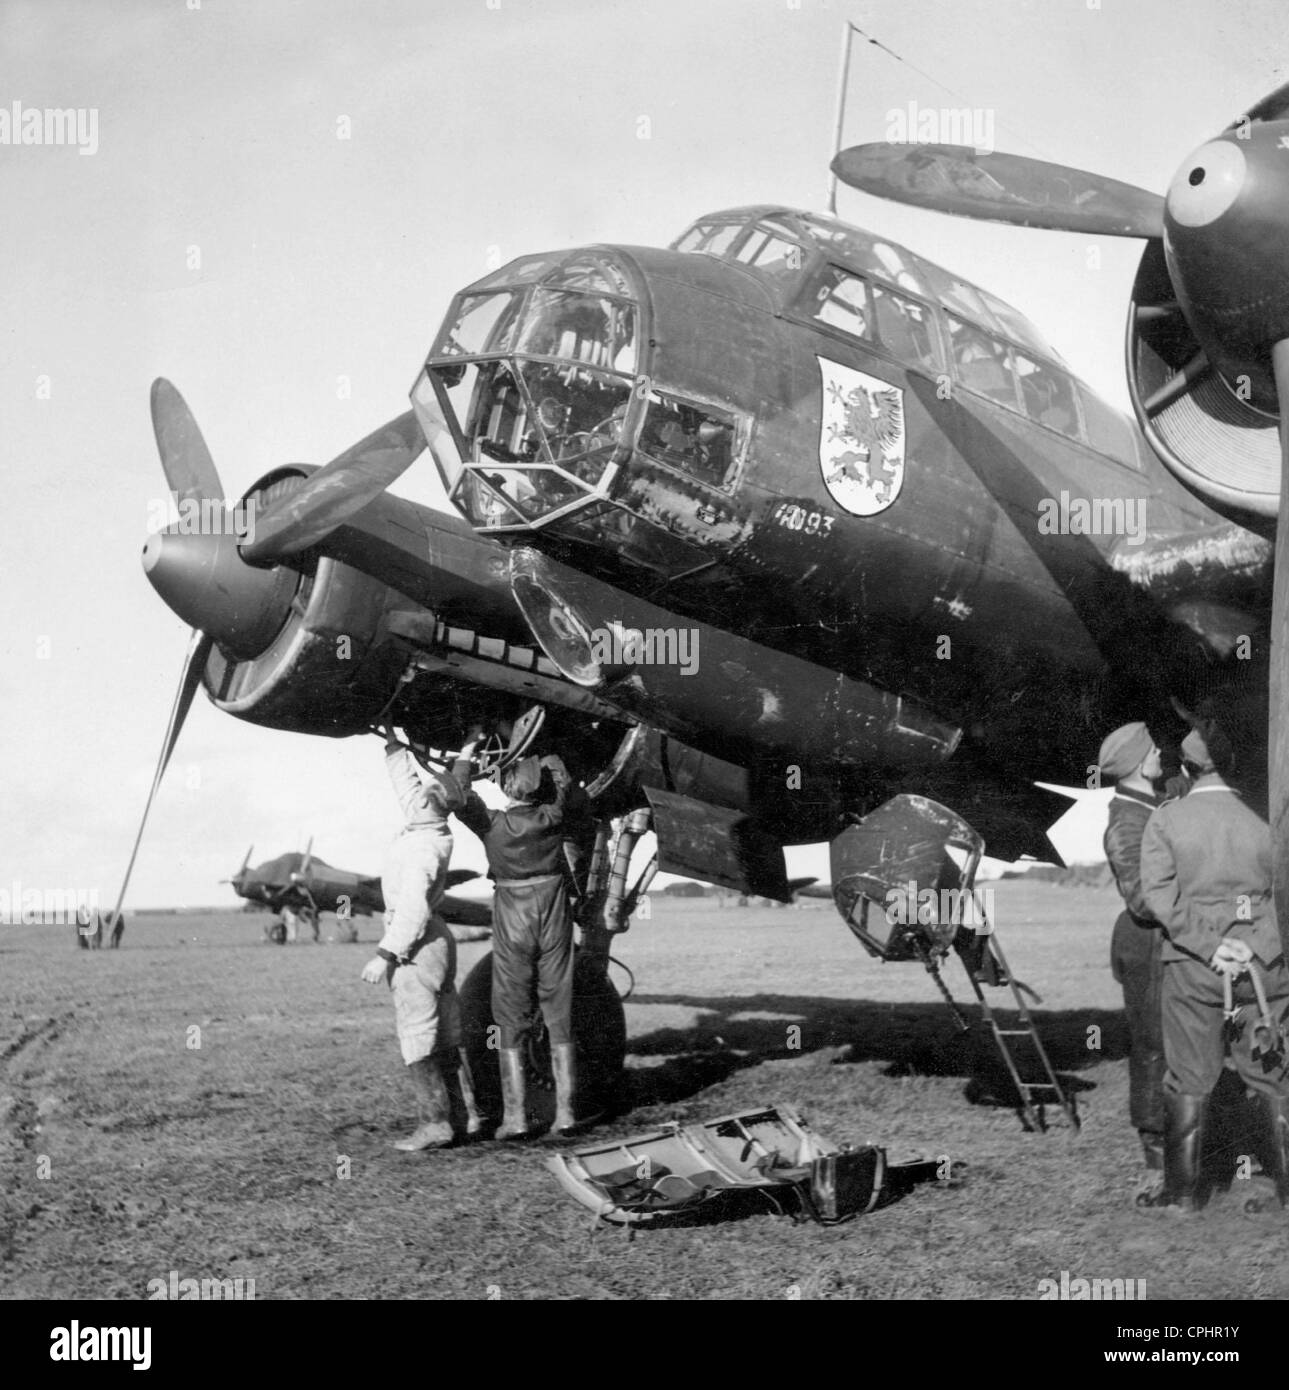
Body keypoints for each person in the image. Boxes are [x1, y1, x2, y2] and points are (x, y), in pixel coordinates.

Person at [1139, 719, 1289, 1212]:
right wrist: (1256, 943)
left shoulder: (1166, 820)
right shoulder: (1271, 817)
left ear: (1186, 768)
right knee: (1274, 1075)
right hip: (1266, 968)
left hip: (1194, 969)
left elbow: (1159, 897)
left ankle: (1182, 1196)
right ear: (1234, 763)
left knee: (1189, 1077)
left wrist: (1211, 946)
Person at [361, 725, 485, 1151]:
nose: (418, 793)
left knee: (417, 1033)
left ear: (432, 803)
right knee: (447, 1032)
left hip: (417, 944)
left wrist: (385, 956)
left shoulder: (422, 850)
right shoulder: (430, 823)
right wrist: (394, 742)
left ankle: (435, 1124)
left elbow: (412, 911)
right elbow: (410, 784)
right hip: (435, 938)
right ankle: (468, 1116)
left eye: (426, 792)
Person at [455, 753, 583, 1138]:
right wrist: (546, 757)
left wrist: (466, 754)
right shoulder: (553, 816)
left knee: (510, 1011)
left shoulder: (491, 823)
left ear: (505, 787)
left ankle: (515, 1118)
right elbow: (564, 779)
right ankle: (566, 1113)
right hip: (554, 910)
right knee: (558, 1003)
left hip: (513, 916)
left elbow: (457, 794)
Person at [1097, 722, 1167, 1186]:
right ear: (1141, 763)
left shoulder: (1149, 806)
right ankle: (1156, 1153)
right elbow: (1142, 899)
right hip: (1147, 943)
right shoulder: (1126, 820)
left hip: (1161, 939)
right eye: (1154, 750)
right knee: (1152, 1046)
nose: (1161, 754)